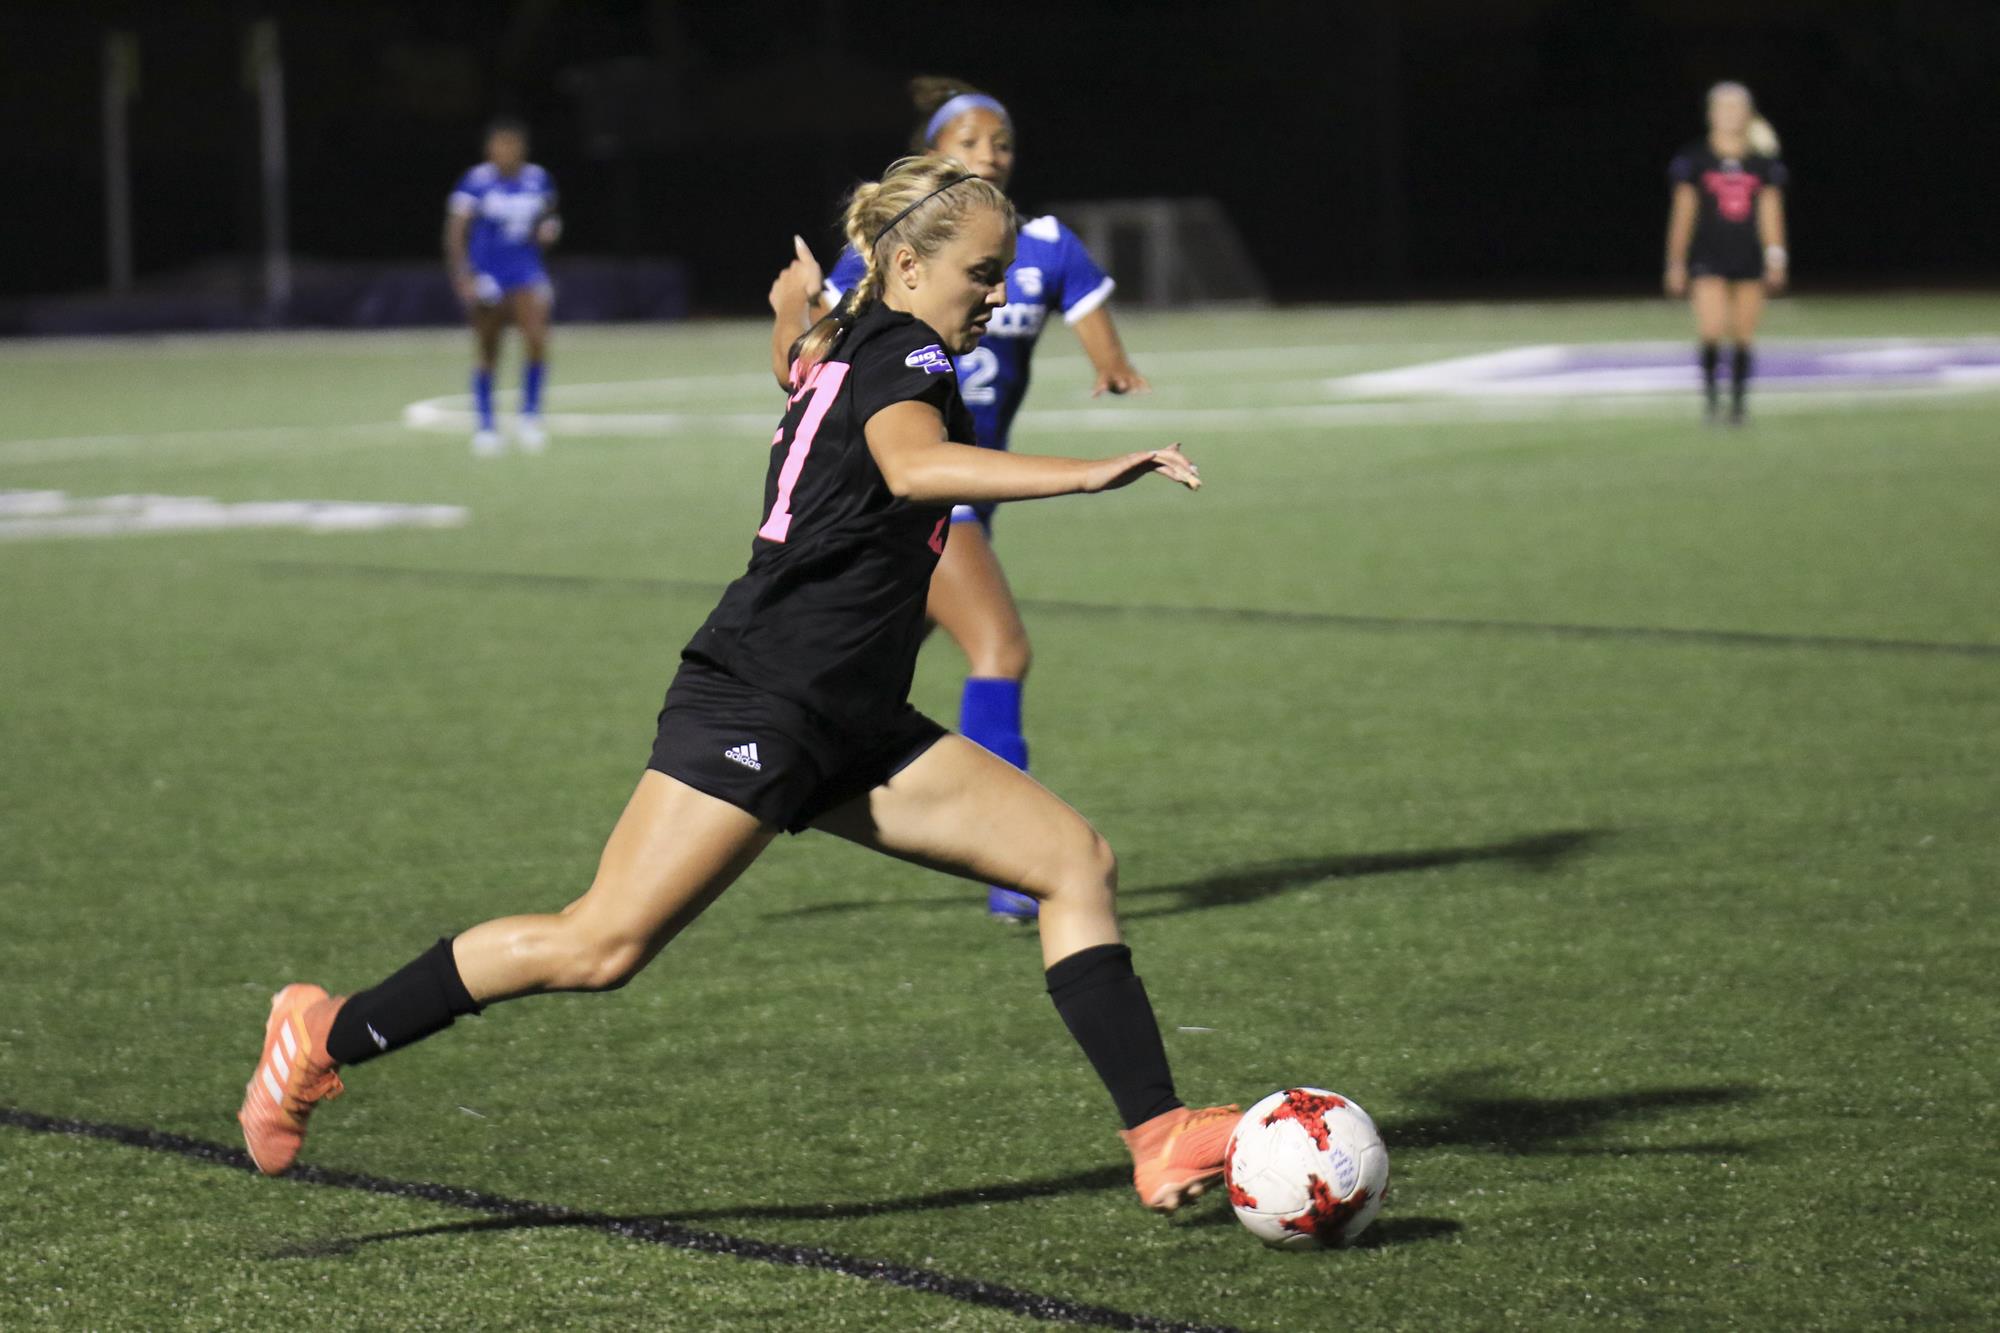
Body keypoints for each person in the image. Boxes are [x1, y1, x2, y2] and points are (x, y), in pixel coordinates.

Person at [240, 155, 1235, 1216]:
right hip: (762, 698)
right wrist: (1086, 470)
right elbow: (908, 464)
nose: (996, 295)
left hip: (849, 716)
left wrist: (792, 313)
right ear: (905, 265)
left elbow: (800, 369)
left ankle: (1159, 1134)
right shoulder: (911, 356)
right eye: (980, 274)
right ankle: (320, 1032)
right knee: (599, 943)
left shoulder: (850, 341)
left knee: (1071, 860)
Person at [769, 78, 1149, 923]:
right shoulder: (893, 253)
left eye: (1001, 143)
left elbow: (1096, 327)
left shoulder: (1041, 245)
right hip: (924, 484)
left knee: (843, 678)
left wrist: (1110, 366)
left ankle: (759, 773)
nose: (988, 156)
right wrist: (792, 306)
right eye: (970, 143)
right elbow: (807, 363)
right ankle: (1017, 870)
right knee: (1001, 651)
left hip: (959, 484)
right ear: (936, 150)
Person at [1664, 82, 1789, 425]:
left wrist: (1776, 256)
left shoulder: (1762, 162)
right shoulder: (1694, 158)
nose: (1730, 114)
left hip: (1748, 254)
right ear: (1711, 114)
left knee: (1743, 332)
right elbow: (1683, 212)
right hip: (1708, 253)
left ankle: (1737, 407)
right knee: (1712, 327)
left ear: (1748, 114)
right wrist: (1675, 261)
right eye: (1723, 107)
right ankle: (1711, 403)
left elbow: (1770, 213)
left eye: (1737, 108)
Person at [446, 117, 561, 456]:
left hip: (526, 272)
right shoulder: (476, 182)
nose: (506, 152)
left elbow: (548, 219)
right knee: (488, 348)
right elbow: (456, 231)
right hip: (489, 277)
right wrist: (463, 275)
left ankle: (530, 417)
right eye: (500, 145)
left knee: (537, 339)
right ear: (490, 148)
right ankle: (485, 427)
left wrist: (548, 232)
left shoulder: (537, 179)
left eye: (512, 145)